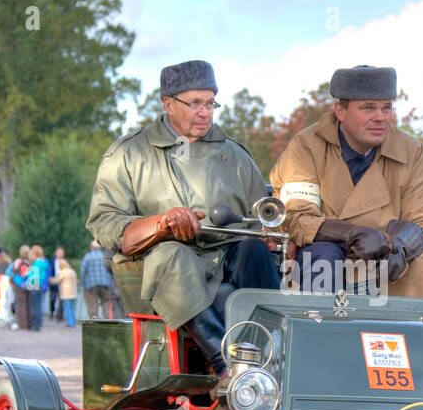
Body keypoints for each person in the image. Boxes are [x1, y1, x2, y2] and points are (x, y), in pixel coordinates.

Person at [87, 58, 279, 373]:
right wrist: (162, 224)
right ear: (168, 104)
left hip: (222, 265)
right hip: (153, 273)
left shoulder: (237, 157)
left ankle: (272, 354)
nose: (204, 112)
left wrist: (267, 235)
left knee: (254, 250)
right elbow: (104, 223)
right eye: (194, 104)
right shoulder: (129, 154)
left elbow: (260, 221)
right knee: (171, 253)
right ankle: (227, 366)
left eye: (210, 103)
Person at [269, 64, 423, 299]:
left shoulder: (411, 151)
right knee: (323, 255)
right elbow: (296, 217)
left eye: (386, 108)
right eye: (368, 108)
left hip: (385, 265)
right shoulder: (306, 147)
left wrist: (403, 246)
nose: (380, 118)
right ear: (340, 111)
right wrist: (352, 233)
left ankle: (411, 335)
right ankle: (322, 330)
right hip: (324, 262)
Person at [79, 241, 112, 320]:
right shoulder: (105, 256)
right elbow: (111, 271)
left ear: (91, 248)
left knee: (92, 306)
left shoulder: (87, 257)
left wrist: (82, 284)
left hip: (91, 286)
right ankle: (108, 321)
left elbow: (82, 272)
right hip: (105, 285)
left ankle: (94, 323)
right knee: (106, 303)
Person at [50, 252, 79, 327]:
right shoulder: (72, 271)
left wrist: (49, 279)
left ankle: (70, 322)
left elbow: (56, 281)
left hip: (66, 294)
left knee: (67, 309)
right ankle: (73, 322)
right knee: (72, 309)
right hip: (74, 293)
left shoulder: (63, 272)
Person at [26, 245, 51, 331]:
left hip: (34, 284)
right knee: (38, 306)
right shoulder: (43, 262)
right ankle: (38, 324)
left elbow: (32, 275)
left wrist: (27, 273)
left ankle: (35, 325)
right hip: (40, 284)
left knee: (34, 306)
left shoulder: (36, 263)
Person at [11, 246, 32, 330]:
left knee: (21, 305)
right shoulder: (29, 262)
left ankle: (22, 324)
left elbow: (23, 275)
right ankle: (27, 323)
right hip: (26, 286)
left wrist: (15, 271)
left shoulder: (23, 263)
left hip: (21, 286)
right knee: (26, 305)